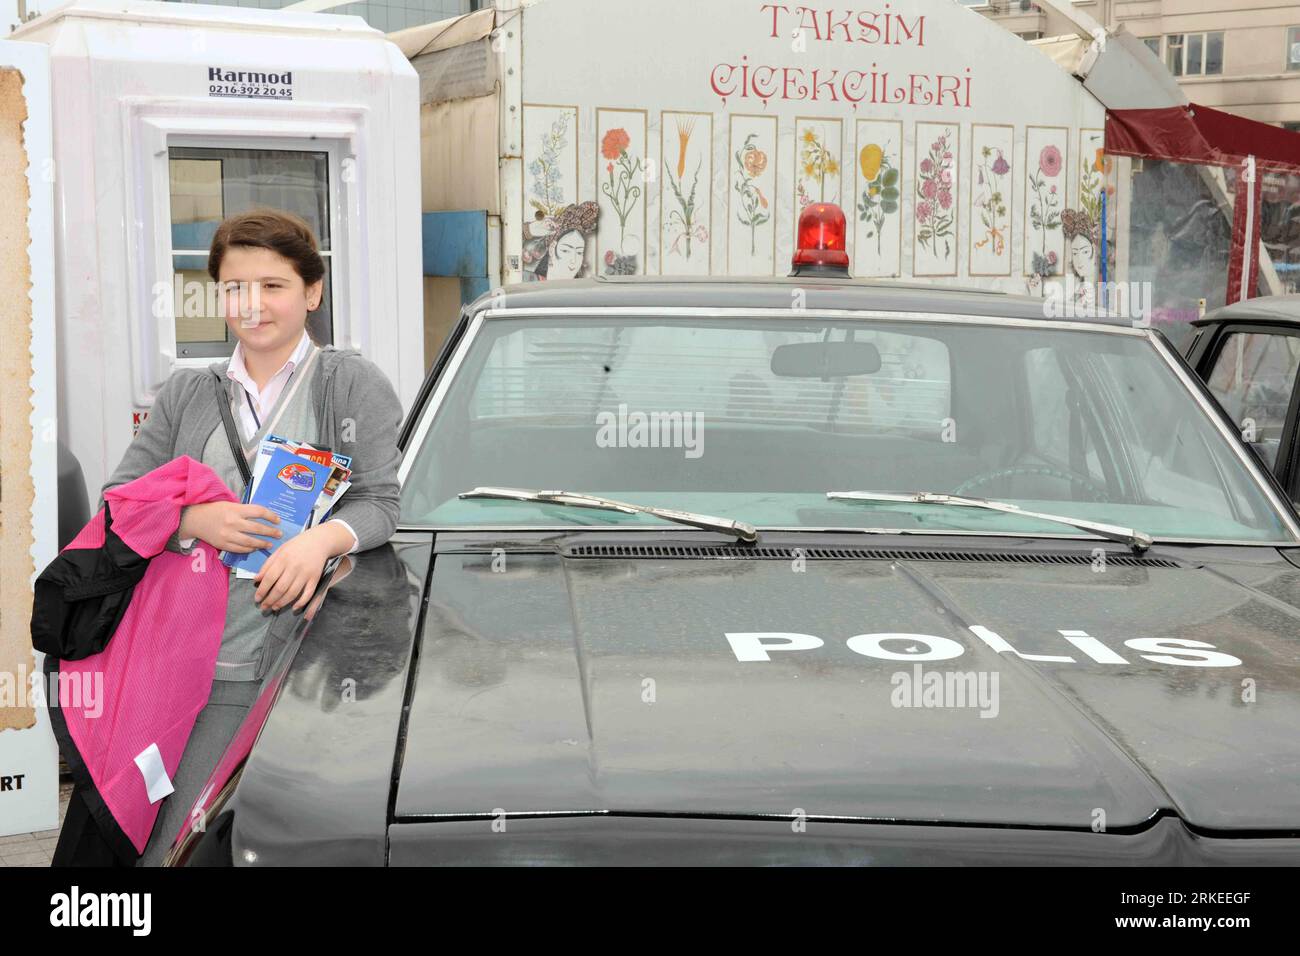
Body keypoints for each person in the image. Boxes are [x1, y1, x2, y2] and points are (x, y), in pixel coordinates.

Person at [50, 207, 403, 866]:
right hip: (180, 669)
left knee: (242, 844)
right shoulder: (190, 394)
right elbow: (117, 501)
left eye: (274, 285)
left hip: (287, 671)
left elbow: (382, 502)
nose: (254, 304)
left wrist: (320, 542)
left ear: (312, 293)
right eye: (236, 286)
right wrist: (190, 522)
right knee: (154, 841)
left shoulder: (350, 385)